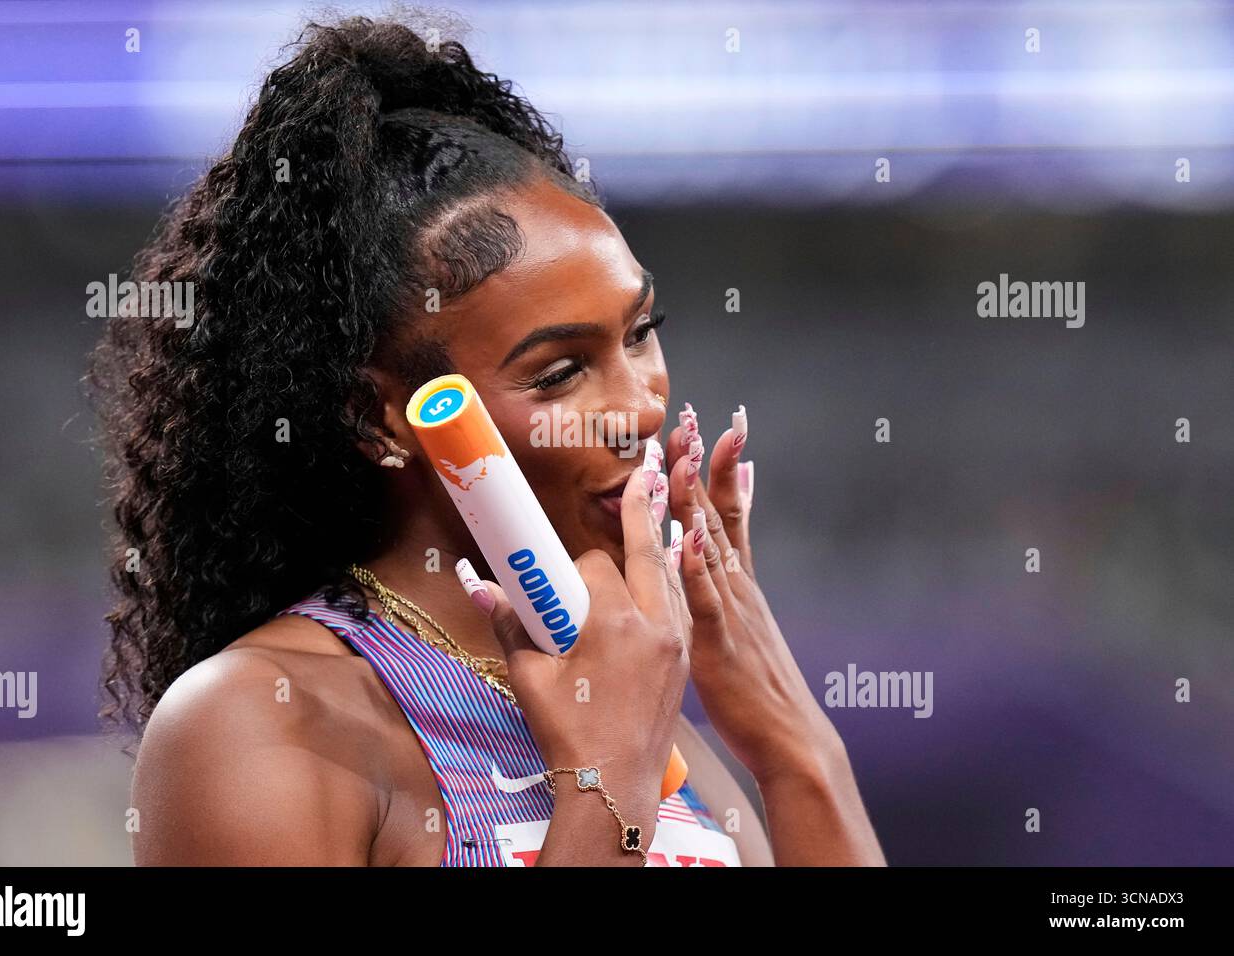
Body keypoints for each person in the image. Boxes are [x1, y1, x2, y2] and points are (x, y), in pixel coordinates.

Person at [91, 15, 885, 867]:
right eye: (558, 373)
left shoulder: (659, 728)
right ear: (379, 419)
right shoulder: (257, 724)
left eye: (642, 331)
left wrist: (792, 746)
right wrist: (608, 775)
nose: (642, 410)